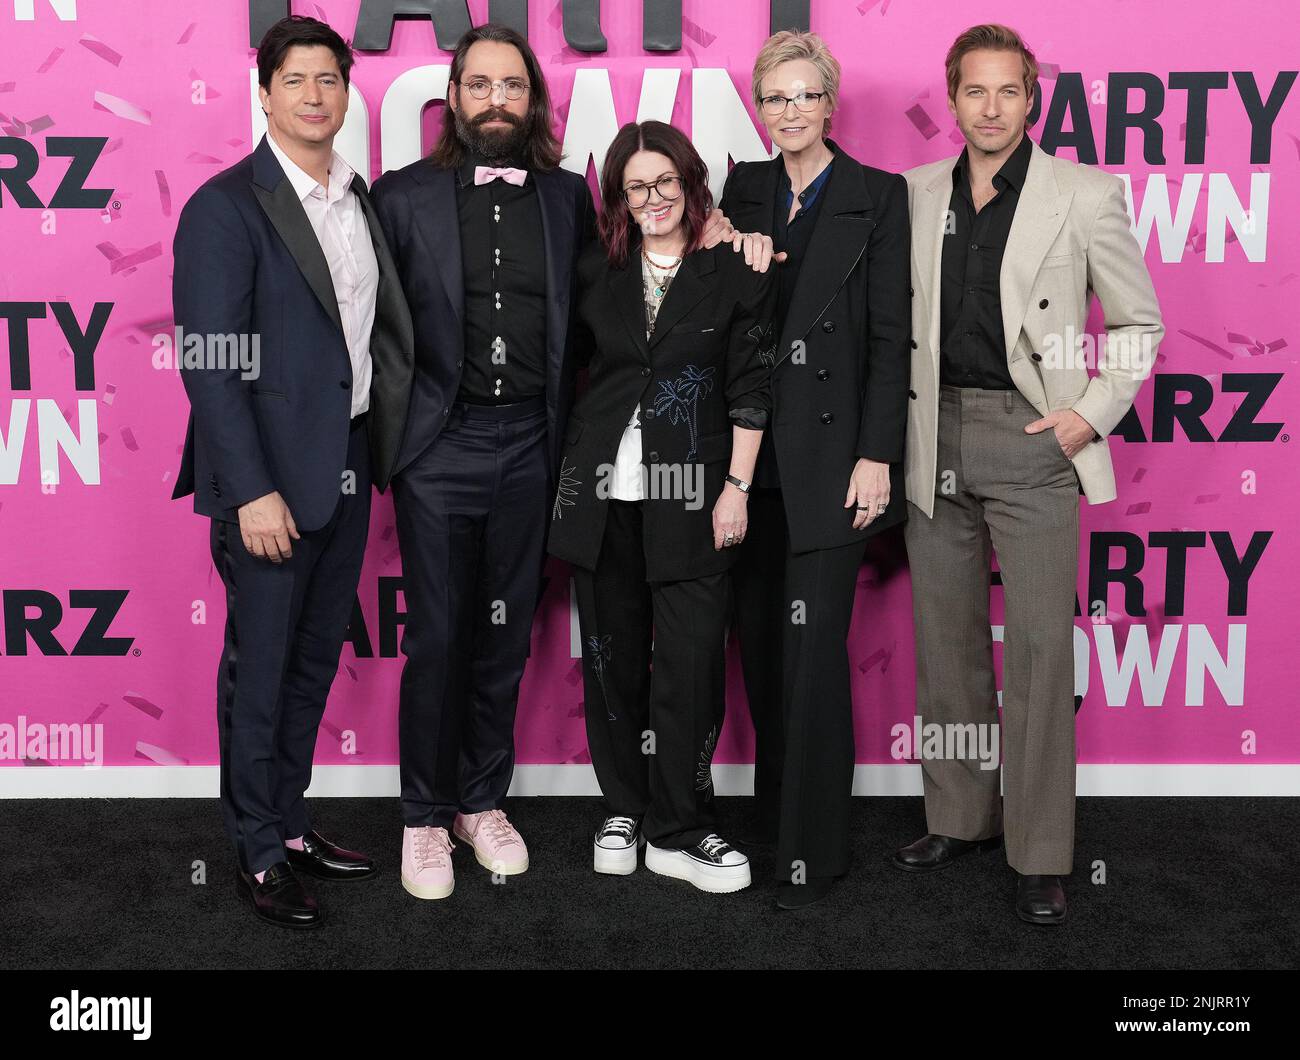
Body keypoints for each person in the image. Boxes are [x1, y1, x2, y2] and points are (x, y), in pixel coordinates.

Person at [370, 24, 739, 901]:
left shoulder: (568, 199)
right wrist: (398, 445)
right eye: (479, 85)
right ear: (452, 97)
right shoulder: (399, 196)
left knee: (503, 641)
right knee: (438, 639)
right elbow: (372, 326)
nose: (496, 99)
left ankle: (480, 801)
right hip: (439, 448)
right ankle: (424, 817)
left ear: (533, 100)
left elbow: (642, 277)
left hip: (537, 448)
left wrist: (726, 230)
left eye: (513, 85)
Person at [896, 24, 1163, 925]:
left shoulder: (1084, 194)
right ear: (953, 96)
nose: (992, 107)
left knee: (1043, 653)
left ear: (1032, 98)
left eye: (1009, 90)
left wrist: (1088, 414)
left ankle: (1042, 849)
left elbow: (1137, 323)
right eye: (975, 90)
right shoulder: (914, 192)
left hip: (1033, 435)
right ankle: (959, 817)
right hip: (932, 434)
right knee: (947, 645)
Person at [171, 15, 413, 928]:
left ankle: (291, 820)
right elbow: (210, 361)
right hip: (270, 478)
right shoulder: (226, 207)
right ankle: (256, 850)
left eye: (330, 80)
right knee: (262, 669)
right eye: (297, 80)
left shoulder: (359, 198)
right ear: (264, 93)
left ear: (347, 94)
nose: (316, 96)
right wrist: (251, 490)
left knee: (313, 661)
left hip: (347, 460)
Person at [547, 120, 775, 893]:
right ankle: (624, 806)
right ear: (619, 196)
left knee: (690, 665)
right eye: (636, 186)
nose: (652, 198)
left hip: (698, 498)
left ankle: (679, 828)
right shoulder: (594, 272)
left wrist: (736, 489)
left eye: (665, 183)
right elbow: (571, 376)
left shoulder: (732, 272)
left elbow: (751, 389)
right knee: (612, 661)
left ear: (689, 185)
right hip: (603, 499)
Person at [718, 30, 912, 910]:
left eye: (805, 96)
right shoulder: (743, 188)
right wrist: (724, 247)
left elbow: (884, 336)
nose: (790, 111)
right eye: (775, 98)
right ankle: (774, 827)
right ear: (760, 109)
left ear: (830, 103)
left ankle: (814, 853)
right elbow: (724, 319)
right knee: (759, 652)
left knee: (812, 657)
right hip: (750, 460)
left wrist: (878, 454)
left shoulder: (877, 195)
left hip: (835, 460)